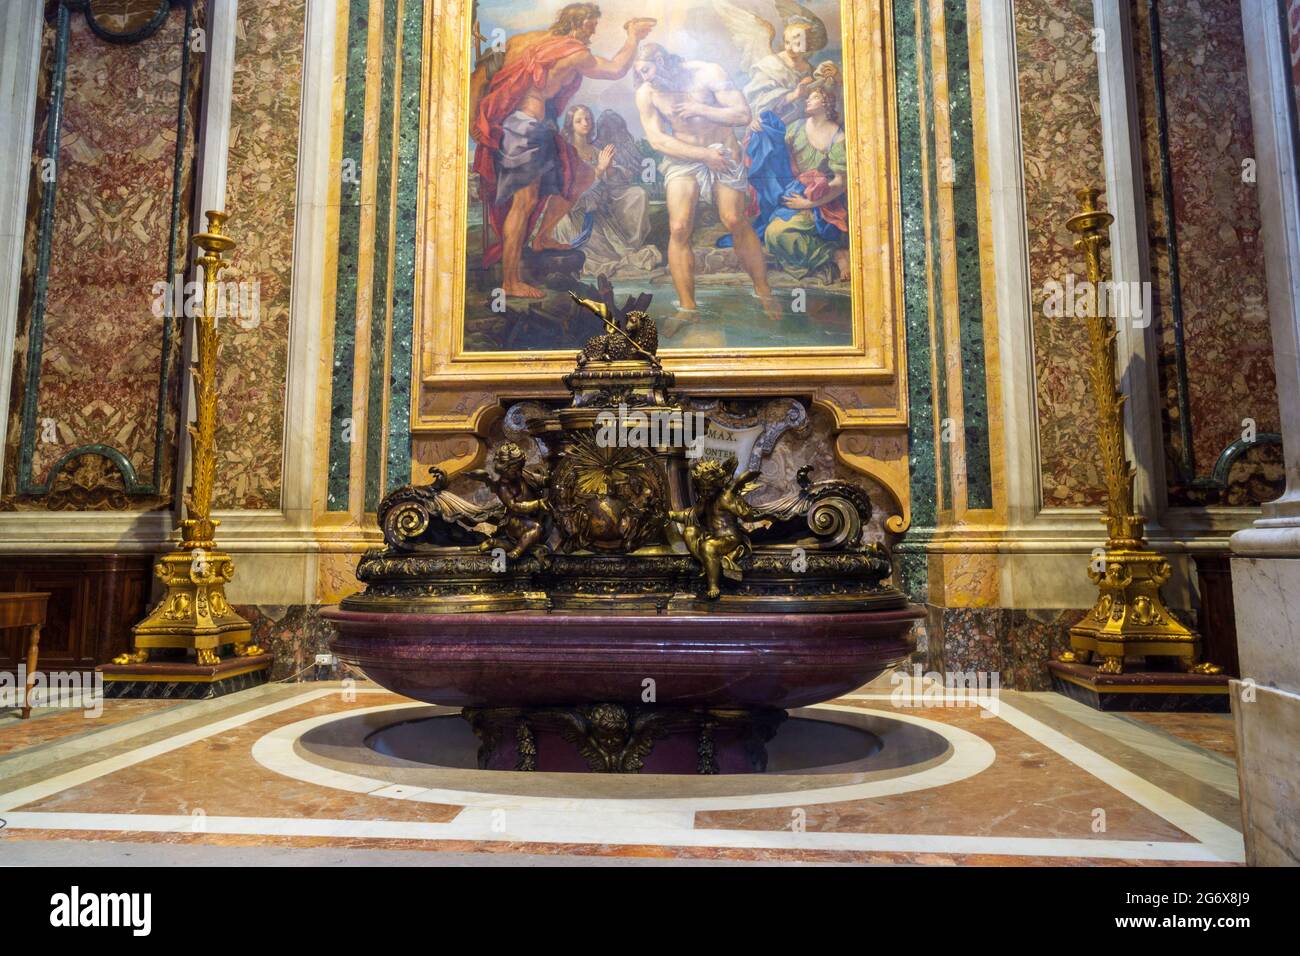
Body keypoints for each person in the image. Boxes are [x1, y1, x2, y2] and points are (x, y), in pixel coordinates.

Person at [470, 5, 656, 298]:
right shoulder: (575, 53)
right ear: (578, 24)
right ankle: (510, 281)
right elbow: (616, 69)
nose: (591, 34)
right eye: (591, 27)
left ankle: (543, 237)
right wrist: (633, 37)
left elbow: (477, 75)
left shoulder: (524, 40)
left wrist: (473, 118)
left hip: (538, 128)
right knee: (524, 201)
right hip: (524, 129)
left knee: (578, 176)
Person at [633, 42, 776, 322]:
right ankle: (688, 308)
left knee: (734, 219)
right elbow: (658, 140)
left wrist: (700, 108)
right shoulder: (647, 93)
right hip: (684, 155)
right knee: (678, 226)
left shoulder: (708, 72)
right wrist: (702, 155)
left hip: (723, 149)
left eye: (647, 70)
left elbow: (743, 115)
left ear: (661, 60)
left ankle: (764, 291)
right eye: (640, 73)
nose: (646, 77)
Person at [552, 105, 663, 277]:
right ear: (570, 125)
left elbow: (611, 182)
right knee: (602, 256)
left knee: (637, 194)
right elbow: (575, 187)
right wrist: (601, 168)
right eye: (579, 120)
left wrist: (611, 171)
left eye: (588, 119)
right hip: (575, 211)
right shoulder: (566, 153)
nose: (585, 123)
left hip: (597, 209)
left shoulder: (596, 151)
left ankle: (632, 243)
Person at [761, 85, 849, 281]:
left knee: (777, 233)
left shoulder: (838, 137)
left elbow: (841, 183)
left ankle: (836, 255)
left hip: (824, 201)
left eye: (814, 97)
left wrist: (808, 204)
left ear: (826, 103)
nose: (808, 100)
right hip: (796, 191)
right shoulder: (797, 126)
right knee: (770, 233)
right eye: (808, 97)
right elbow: (773, 136)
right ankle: (832, 256)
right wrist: (757, 126)